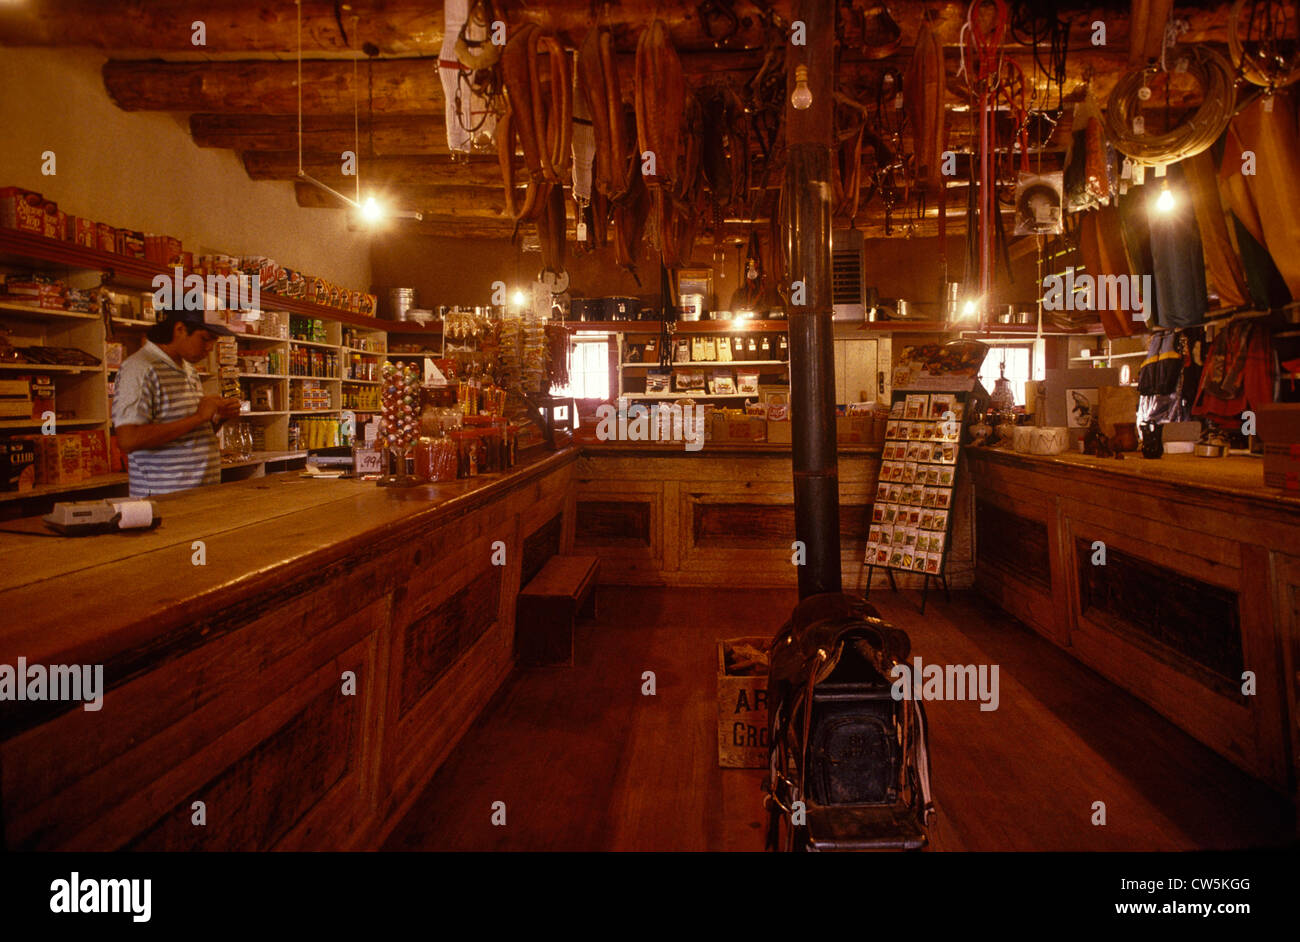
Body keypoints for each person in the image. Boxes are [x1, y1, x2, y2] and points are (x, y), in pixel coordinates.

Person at [112, 309, 242, 497]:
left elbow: (186, 435)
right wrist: (198, 417)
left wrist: (217, 419)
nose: (210, 348)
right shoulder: (139, 368)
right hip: (164, 501)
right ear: (180, 329)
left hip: (198, 496)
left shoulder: (188, 368)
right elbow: (128, 439)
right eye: (206, 339)